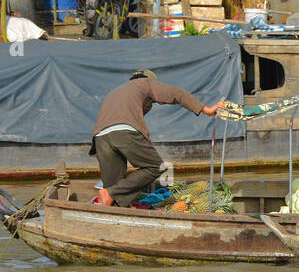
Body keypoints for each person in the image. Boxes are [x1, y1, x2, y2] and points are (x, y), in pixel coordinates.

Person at [90, 69, 224, 206]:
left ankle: (111, 205)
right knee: (155, 167)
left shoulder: (116, 92)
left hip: (100, 137)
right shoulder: (145, 83)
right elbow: (176, 93)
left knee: (114, 193)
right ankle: (110, 194)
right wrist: (206, 110)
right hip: (123, 131)